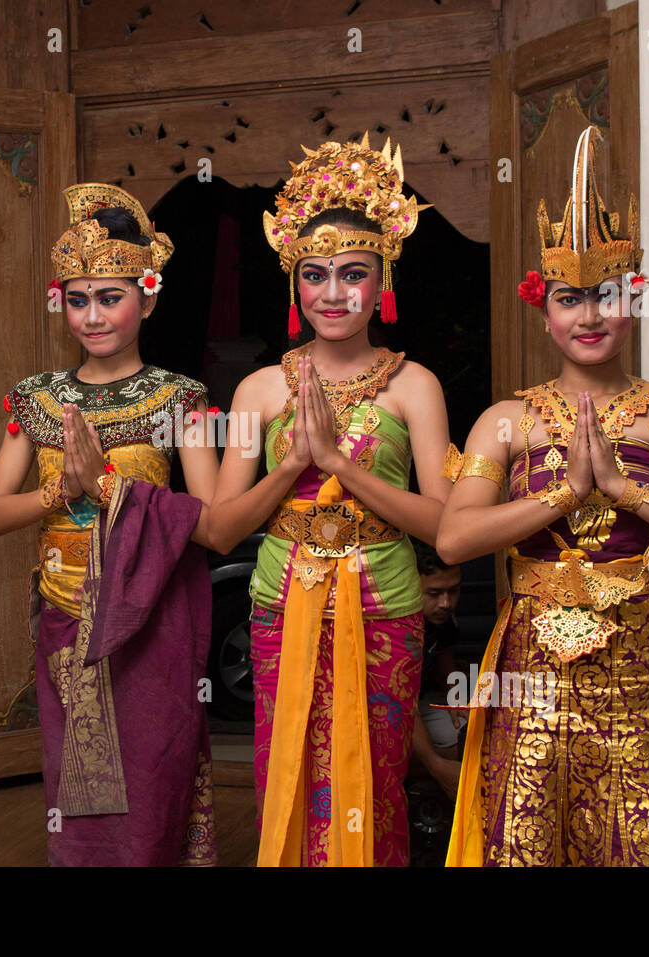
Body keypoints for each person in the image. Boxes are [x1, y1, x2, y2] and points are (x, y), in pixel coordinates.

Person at [437, 126, 649, 866]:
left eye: (608, 296)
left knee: (646, 836)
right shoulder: (505, 421)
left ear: (636, 299)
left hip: (648, 658)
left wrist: (625, 490)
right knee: (527, 836)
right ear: (542, 307)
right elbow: (456, 539)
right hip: (533, 661)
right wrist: (564, 492)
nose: (590, 316)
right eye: (569, 299)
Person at [210, 135, 452, 866]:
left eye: (354, 273)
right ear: (294, 285)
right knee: (285, 771)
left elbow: (447, 526)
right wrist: (290, 470)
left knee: (373, 777)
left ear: (383, 281)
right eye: (315, 275)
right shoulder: (256, 390)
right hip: (282, 605)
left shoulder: (416, 386)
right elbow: (220, 529)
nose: (334, 292)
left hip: (384, 605)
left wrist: (342, 463)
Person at [0, 184, 218, 865]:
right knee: (76, 793)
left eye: (109, 296)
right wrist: (61, 492)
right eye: (77, 298)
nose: (92, 315)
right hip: (64, 618)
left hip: (150, 623)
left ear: (148, 296)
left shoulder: (180, 397)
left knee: (150, 787)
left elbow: (212, 524)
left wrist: (108, 487)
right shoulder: (38, 399)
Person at [409, 540, 464, 798]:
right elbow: (397, 702)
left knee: (465, 726)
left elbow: (444, 653)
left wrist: (457, 696)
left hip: (420, 698)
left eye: (453, 591)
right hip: (388, 705)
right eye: (434, 594)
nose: (446, 603)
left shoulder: (440, 616)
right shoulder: (397, 627)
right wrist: (435, 765)